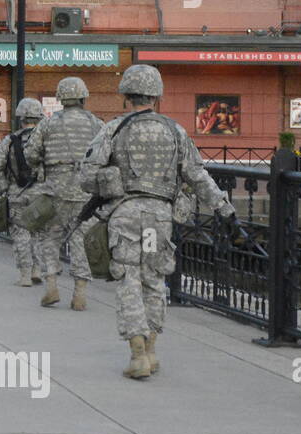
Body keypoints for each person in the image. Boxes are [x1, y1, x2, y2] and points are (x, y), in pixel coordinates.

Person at [79, 64, 238, 380]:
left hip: (125, 215)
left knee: (129, 278)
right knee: (154, 279)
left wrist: (110, 182)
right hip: (160, 218)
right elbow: (196, 175)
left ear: (126, 95)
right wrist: (223, 208)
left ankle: (136, 351)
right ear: (157, 95)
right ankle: (151, 350)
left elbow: (87, 177)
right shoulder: (175, 130)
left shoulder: (114, 129)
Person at [24, 77, 105, 309]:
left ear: (61, 97)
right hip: (84, 192)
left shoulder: (48, 123)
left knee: (49, 237)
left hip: (54, 191)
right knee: (81, 241)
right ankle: (80, 292)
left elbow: (31, 154)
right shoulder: (96, 124)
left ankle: (51, 285)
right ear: (83, 97)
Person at [0, 98, 46, 285]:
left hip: (17, 193)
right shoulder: (46, 140)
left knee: (21, 233)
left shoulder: (10, 140)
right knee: (38, 233)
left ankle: (24, 274)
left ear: (20, 118)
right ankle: (38, 268)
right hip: (41, 194)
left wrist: (4, 187)